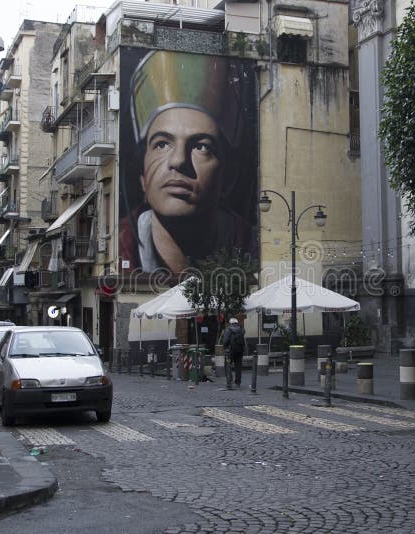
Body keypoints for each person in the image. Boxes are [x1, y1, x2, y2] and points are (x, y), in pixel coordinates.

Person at [118, 50, 256, 273]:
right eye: (162, 144)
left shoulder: (256, 247)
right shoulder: (119, 247)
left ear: (229, 175)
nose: (179, 161)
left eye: (202, 147)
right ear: (142, 174)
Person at [221, 317, 245, 387]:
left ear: (230, 323)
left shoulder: (228, 329)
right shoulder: (241, 329)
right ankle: (238, 383)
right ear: (237, 323)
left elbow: (225, 341)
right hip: (240, 351)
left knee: (227, 365)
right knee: (238, 367)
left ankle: (229, 380)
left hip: (230, 351)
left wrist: (225, 347)